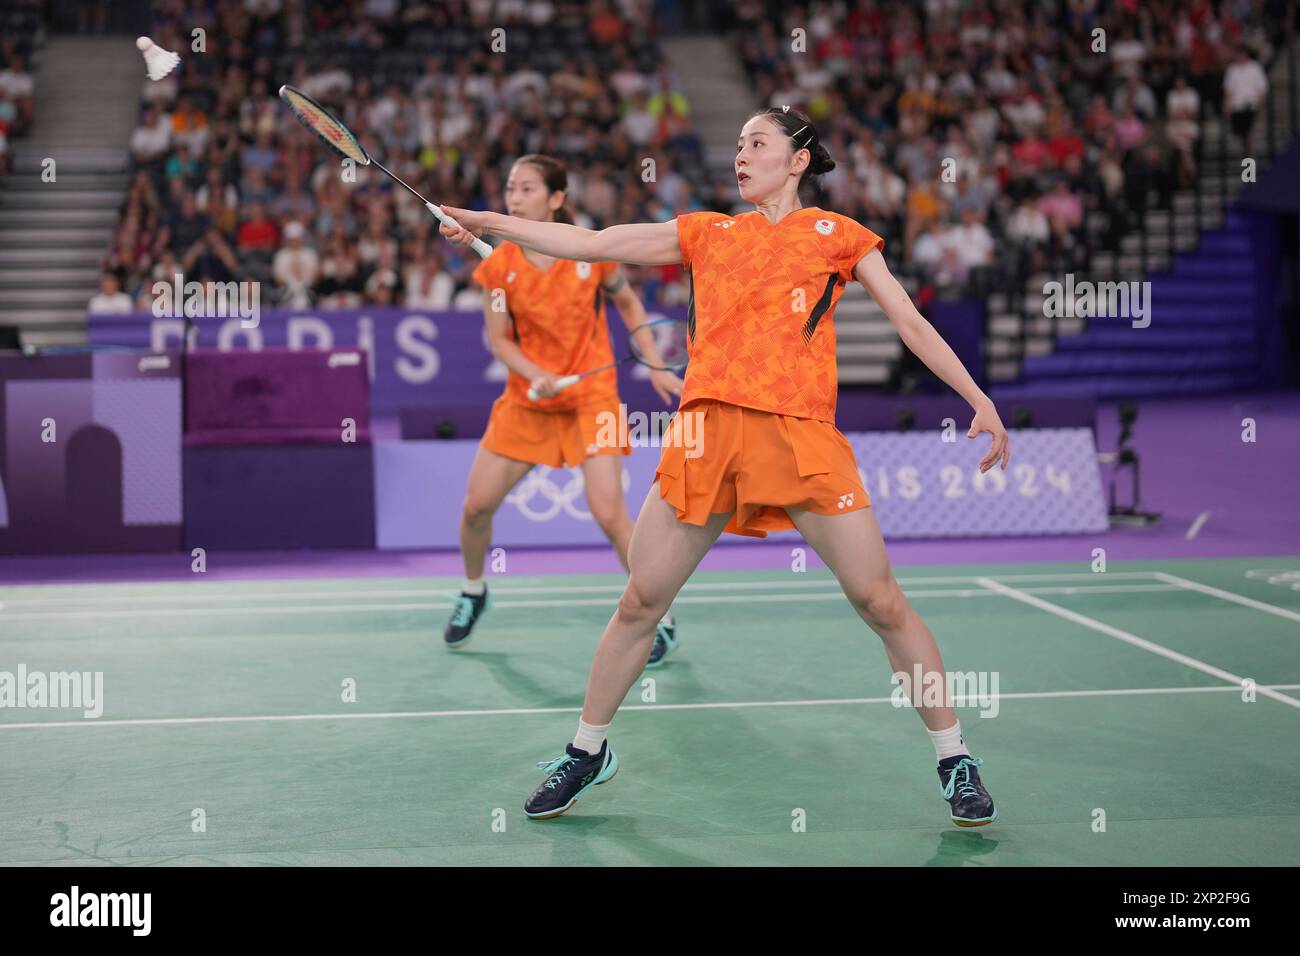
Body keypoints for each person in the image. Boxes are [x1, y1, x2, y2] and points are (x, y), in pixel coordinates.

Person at [439, 108, 1010, 828]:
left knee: (881, 601)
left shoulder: (838, 236)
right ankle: (587, 751)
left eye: (758, 143)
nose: (741, 155)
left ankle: (954, 756)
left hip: (800, 436)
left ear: (798, 159)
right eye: (737, 144)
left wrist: (977, 397)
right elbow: (592, 240)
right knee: (641, 601)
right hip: (706, 435)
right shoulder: (708, 231)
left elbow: (910, 321)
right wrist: (489, 222)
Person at [444, 154, 685, 669]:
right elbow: (500, 341)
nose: (515, 197)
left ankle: (658, 616)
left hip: (592, 399)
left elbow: (627, 302)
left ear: (556, 199)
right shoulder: (499, 269)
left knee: (609, 514)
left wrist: (653, 361)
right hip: (528, 401)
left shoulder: (590, 254)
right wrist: (537, 377)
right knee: (475, 507)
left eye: (528, 188)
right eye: (510, 187)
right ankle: (473, 589)